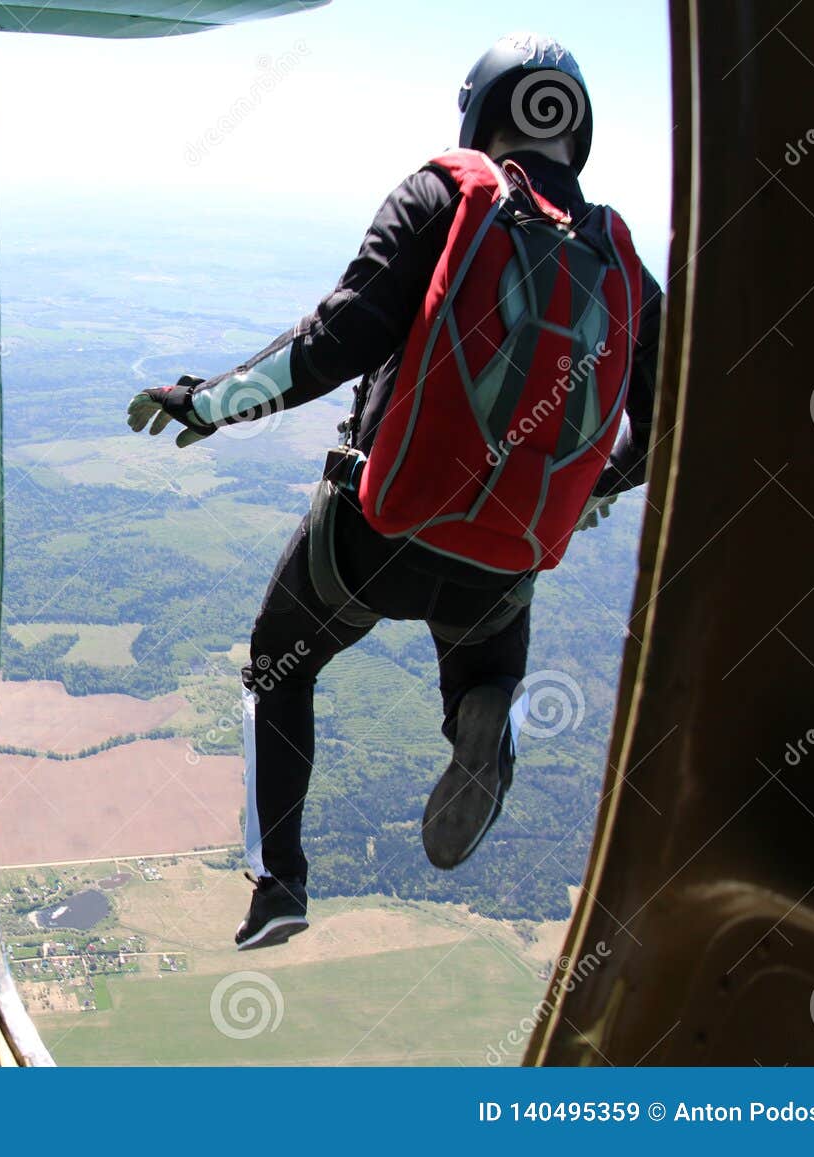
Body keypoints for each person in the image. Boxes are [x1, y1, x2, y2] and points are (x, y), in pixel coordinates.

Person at [126, 33, 662, 951]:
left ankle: (280, 882)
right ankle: (482, 711)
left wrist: (207, 402)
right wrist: (596, 487)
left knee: (276, 665)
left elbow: (331, 344)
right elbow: (659, 437)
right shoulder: (623, 264)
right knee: (487, 666)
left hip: (375, 536)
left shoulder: (449, 194)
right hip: (505, 559)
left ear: (481, 111)